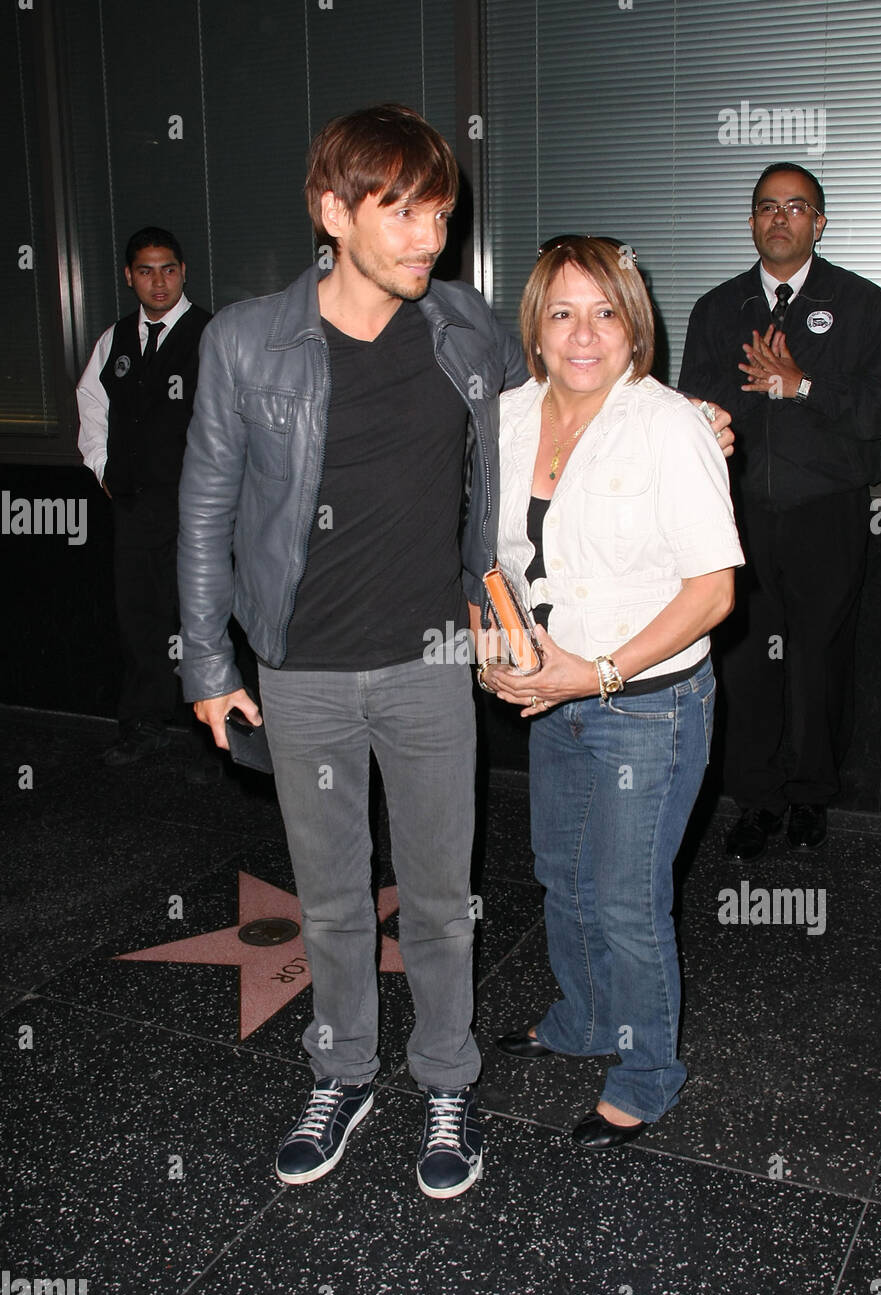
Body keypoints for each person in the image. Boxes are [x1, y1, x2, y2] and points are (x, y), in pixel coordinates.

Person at [176, 105, 528, 1200]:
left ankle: (445, 1080)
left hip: (430, 663)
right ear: (333, 211)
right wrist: (207, 666)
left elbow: (568, 406)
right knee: (329, 898)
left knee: (436, 898)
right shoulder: (244, 340)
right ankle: (342, 1070)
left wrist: (679, 421)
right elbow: (204, 509)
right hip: (302, 669)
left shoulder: (466, 327)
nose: (431, 235)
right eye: (405, 211)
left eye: (441, 212)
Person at [481, 237, 744, 1146]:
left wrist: (597, 672)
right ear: (536, 329)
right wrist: (493, 645)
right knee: (562, 875)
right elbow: (485, 555)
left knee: (628, 898)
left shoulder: (670, 423)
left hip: (647, 702)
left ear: (634, 325)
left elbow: (713, 591)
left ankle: (647, 1070)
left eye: (603, 312)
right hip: (551, 694)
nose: (582, 333)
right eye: (561, 312)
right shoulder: (506, 417)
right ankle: (585, 1019)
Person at [679, 164, 881, 861]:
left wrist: (802, 384)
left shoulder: (861, 303)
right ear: (750, 221)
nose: (778, 218)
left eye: (795, 207)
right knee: (747, 663)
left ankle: (810, 794)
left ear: (819, 221)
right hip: (739, 515)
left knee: (817, 658)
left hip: (825, 513)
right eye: (764, 207)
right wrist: (758, 390)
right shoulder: (717, 309)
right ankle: (754, 801)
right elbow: (693, 411)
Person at [77, 228, 216, 776]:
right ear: (130, 276)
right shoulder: (115, 340)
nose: (158, 281)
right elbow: (91, 401)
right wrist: (102, 465)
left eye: (168, 270)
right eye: (145, 271)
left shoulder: (211, 334)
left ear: (183, 271)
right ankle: (144, 725)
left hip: (196, 509)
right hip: (134, 506)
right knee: (139, 618)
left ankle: (212, 740)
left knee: (201, 619)